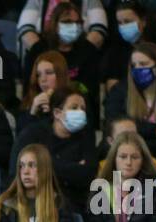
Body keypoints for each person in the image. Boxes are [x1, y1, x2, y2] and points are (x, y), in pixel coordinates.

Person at [12, 87, 97, 210]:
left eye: (83, 108)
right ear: (57, 113)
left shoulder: (86, 135)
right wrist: (73, 167)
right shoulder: (32, 134)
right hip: (34, 202)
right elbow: (17, 169)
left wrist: (44, 166)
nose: (80, 112)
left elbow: (88, 174)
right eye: (74, 108)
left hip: (73, 204)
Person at [22, 1, 102, 132]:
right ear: (55, 24)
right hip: (41, 111)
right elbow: (29, 89)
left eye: (78, 23)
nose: (74, 26)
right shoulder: (38, 50)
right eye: (67, 22)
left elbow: (90, 92)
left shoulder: (88, 51)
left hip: (77, 113)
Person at [103, 41, 156, 159]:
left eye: (143, 64)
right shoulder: (119, 91)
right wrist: (154, 131)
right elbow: (115, 126)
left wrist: (136, 139)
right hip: (124, 158)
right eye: (133, 65)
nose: (137, 69)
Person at [101, 0, 156, 86]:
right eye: (120, 23)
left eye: (127, 22)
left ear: (143, 21)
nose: (123, 27)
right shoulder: (115, 53)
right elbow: (113, 88)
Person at [19, 0, 109, 51]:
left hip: (81, 55)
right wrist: (43, 55)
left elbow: (99, 29)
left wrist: (81, 56)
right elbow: (25, 29)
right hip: (44, 54)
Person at [17, 50, 67, 133]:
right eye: (38, 75)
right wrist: (32, 112)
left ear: (61, 75)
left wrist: (50, 115)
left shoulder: (75, 101)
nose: (43, 79)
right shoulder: (28, 103)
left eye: (49, 72)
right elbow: (21, 141)